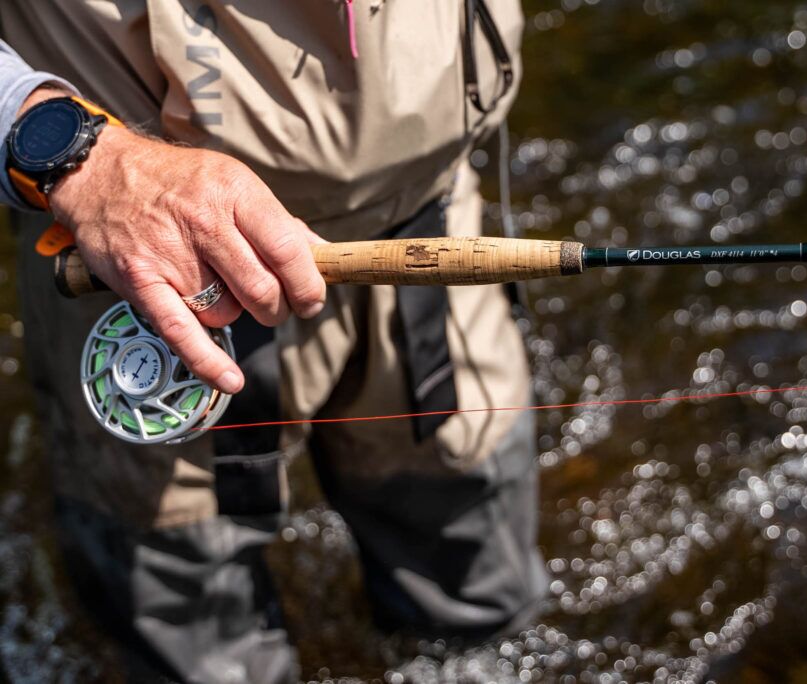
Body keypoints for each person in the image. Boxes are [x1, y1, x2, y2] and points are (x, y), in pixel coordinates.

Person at [0, 2, 547, 681]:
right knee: (198, 647)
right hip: (140, 268)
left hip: (433, 229)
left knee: (483, 612)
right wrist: (68, 151)